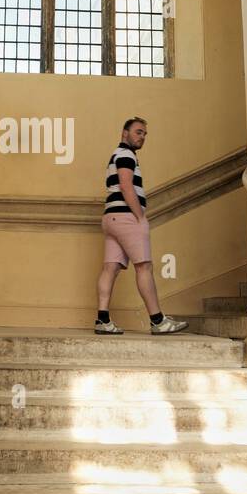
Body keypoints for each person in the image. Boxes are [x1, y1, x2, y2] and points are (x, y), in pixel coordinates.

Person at [94, 117, 189, 335]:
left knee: (110, 268)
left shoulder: (116, 155)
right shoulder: (126, 155)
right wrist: (140, 217)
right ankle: (158, 321)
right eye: (138, 132)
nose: (142, 137)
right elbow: (127, 187)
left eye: (144, 134)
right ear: (124, 133)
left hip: (110, 219)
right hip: (126, 218)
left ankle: (102, 320)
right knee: (143, 266)